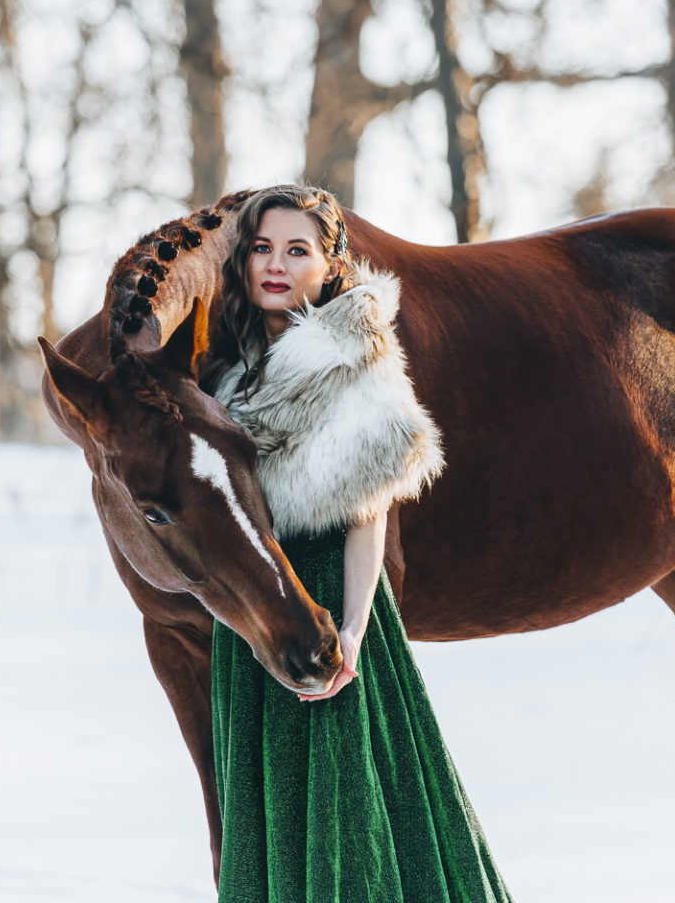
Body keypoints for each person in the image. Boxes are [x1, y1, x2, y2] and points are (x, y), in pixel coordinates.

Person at [199, 184, 516, 903]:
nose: (275, 265)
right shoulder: (222, 366)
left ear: (331, 265)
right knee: (267, 810)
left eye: (296, 251)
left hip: (321, 602)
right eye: (262, 248)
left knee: (351, 810)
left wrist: (351, 629)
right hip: (251, 611)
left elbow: (367, 518)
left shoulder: (355, 360)